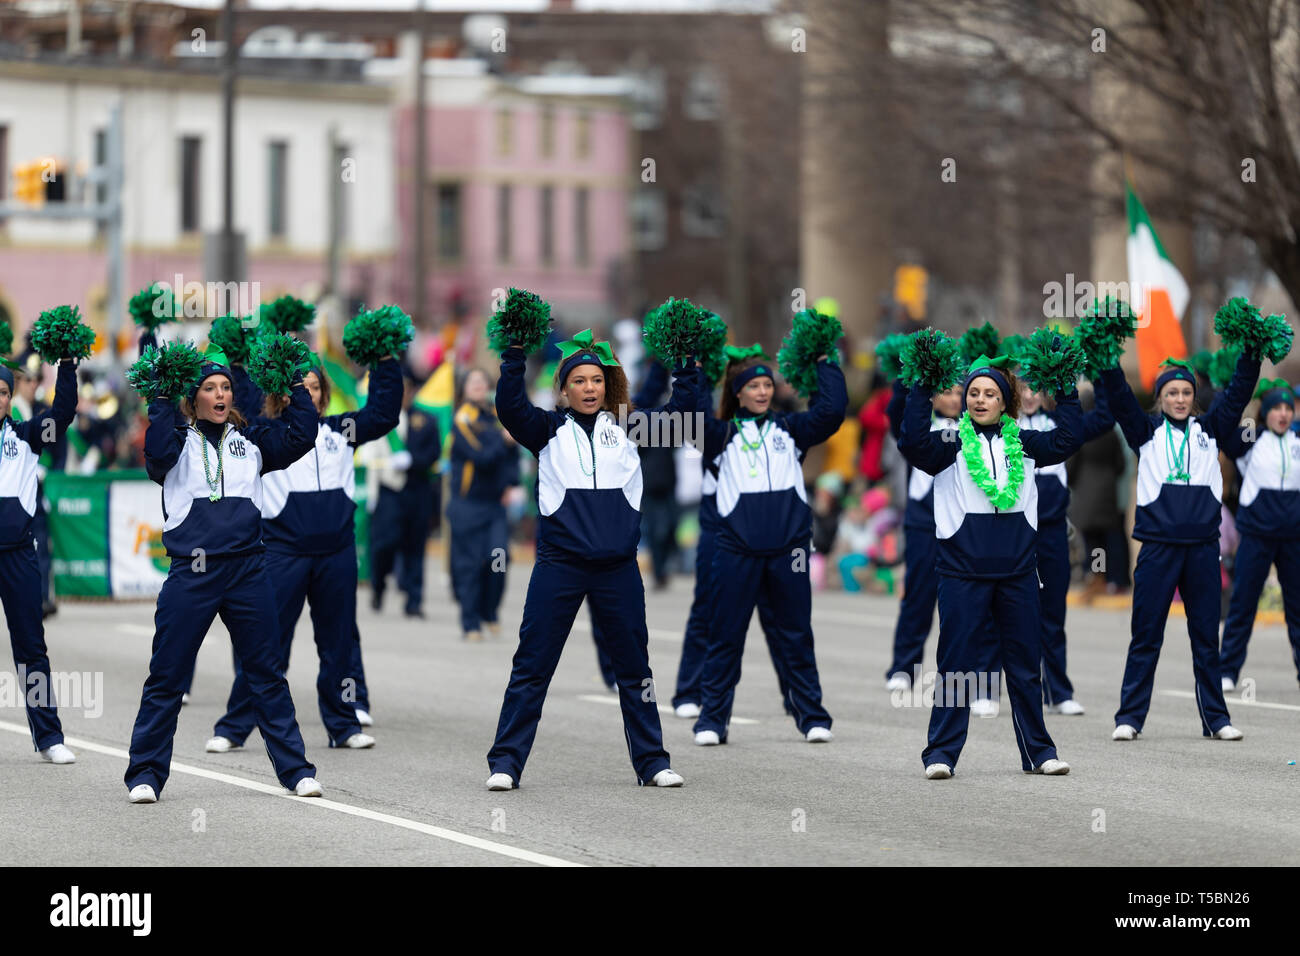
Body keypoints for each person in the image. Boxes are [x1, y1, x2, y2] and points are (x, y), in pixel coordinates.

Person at [485, 330, 693, 789]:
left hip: (618, 568)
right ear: (564, 389)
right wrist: (514, 354)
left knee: (635, 669)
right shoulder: (546, 430)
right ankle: (505, 763)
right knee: (532, 665)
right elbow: (509, 408)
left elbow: (682, 418)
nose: (589, 388)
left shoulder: (629, 427)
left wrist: (688, 362)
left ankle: (653, 762)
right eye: (578, 380)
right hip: (560, 565)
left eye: (596, 379)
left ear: (607, 383)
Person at [124, 347, 322, 803]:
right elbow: (155, 453)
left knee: (267, 674)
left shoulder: (251, 440)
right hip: (191, 574)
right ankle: (146, 775)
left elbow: (302, 434)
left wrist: (294, 382)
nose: (219, 393)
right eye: (209, 388)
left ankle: (296, 771)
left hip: (249, 570)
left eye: (225, 387)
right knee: (167, 675)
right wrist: (160, 399)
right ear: (193, 399)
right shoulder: (174, 439)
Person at [207, 354, 402, 753]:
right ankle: (234, 726)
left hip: (336, 553)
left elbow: (383, 414)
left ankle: (343, 725)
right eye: (301, 386)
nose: (309, 393)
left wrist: (384, 360)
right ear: (283, 393)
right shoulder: (267, 433)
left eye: (315, 386)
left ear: (324, 393)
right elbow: (237, 407)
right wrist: (242, 365)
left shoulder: (341, 430)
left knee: (339, 646)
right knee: (267, 645)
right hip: (284, 552)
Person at [899, 354, 1080, 778]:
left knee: (1023, 665)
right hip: (962, 572)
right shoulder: (949, 442)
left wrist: (1066, 384)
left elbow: (1070, 438)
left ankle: (1039, 752)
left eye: (990, 394)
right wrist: (922, 384)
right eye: (974, 393)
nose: (981, 400)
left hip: (1017, 571)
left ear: (1005, 401)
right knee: (956, 664)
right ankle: (941, 754)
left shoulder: (1026, 443)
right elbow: (910, 442)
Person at [1100, 354, 1259, 742]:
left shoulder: (1211, 429)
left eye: (1187, 392)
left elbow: (1238, 394)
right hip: (1158, 547)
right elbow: (1120, 395)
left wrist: (1252, 353)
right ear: (1160, 398)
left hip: (1203, 547)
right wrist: (1106, 356)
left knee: (1206, 638)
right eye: (1172, 392)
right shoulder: (1145, 431)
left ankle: (1216, 719)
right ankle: (1130, 718)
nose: (1180, 398)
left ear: (1194, 397)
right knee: (1146, 635)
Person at [692, 351, 846, 746]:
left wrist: (826, 361)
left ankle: (812, 715)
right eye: (753, 386)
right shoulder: (720, 436)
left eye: (766, 385)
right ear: (737, 393)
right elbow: (692, 417)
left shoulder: (789, 429)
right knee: (726, 636)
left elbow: (830, 413)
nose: (762, 392)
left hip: (788, 551)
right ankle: (712, 720)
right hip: (735, 551)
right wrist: (689, 368)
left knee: (795, 634)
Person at [1010, 378, 1115, 715]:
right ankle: (988, 686)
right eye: (1022, 389)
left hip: (1052, 530)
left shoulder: (1060, 427)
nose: (1029, 396)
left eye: (1035, 388)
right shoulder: (1002, 429)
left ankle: (1058, 691)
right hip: (1012, 531)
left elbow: (1104, 417)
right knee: (1002, 613)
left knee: (1053, 611)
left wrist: (1100, 370)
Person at [1, 355, 78, 764]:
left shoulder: (28, 435)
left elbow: (62, 414)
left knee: (31, 647)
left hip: (16, 555)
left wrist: (66, 365)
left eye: (1, 392)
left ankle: (49, 737)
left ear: (11, 398)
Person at [1219, 379, 1300, 691]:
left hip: (1292, 536)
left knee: (1296, 607)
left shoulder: (1296, 439)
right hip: (1256, 534)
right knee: (1244, 603)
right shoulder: (1251, 438)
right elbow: (1227, 436)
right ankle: (1227, 671)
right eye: (1276, 408)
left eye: (1288, 408)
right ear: (1265, 413)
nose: (1283, 414)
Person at [884, 378, 961, 692]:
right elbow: (893, 415)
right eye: (947, 391)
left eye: (960, 392)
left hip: (957, 524)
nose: (954, 398)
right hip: (922, 522)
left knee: (962, 604)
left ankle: (966, 675)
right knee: (917, 596)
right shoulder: (917, 426)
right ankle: (904, 667)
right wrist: (908, 378)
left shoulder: (973, 431)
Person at [448, 366, 518, 641]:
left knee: (498, 558)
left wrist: (511, 484)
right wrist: (503, 440)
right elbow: (482, 457)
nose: (477, 384)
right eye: (472, 381)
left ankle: (490, 611)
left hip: (494, 506)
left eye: (481, 380)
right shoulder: (463, 419)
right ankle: (470, 622)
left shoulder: (498, 416)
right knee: (470, 565)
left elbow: (511, 456)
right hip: (467, 505)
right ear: (464, 388)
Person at [366, 366, 441, 618]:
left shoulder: (427, 420)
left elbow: (433, 454)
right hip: (389, 490)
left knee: (415, 546)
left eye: (407, 388)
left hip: (417, 489)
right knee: (384, 544)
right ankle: (378, 586)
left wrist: (413, 460)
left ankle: (414, 600)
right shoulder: (382, 418)